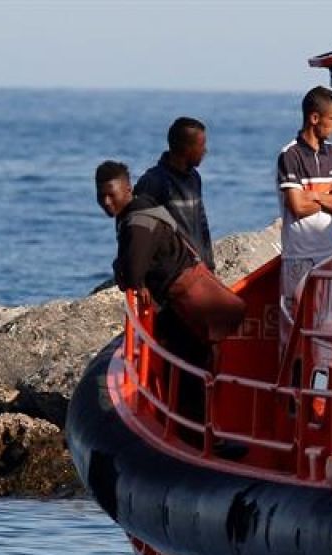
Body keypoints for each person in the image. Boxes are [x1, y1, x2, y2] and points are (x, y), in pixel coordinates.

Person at [95, 160, 245, 459]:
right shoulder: (144, 209)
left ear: (128, 188)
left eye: (112, 195)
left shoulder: (137, 224)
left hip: (181, 305)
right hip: (184, 301)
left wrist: (122, 269)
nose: (107, 203)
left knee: (190, 371)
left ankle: (198, 441)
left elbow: (131, 274)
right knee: (193, 369)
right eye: (101, 197)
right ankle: (201, 437)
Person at [277, 86, 332, 337]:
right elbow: (297, 207)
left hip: (330, 253)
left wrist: (316, 195)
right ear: (314, 118)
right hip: (298, 257)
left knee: (330, 326)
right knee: (294, 328)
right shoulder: (290, 155)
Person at [134, 117, 214, 271]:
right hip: (171, 274)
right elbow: (135, 231)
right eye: (201, 145)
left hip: (198, 271)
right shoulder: (153, 182)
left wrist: (209, 265)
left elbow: (202, 225)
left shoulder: (195, 178)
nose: (205, 150)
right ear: (186, 149)